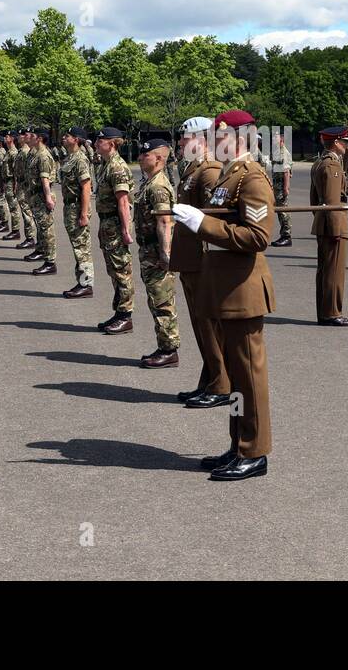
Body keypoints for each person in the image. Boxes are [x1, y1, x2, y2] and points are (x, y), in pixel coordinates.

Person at [171, 109, 275, 482]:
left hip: (244, 290)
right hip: (227, 288)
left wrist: (203, 224)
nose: (214, 144)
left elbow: (258, 237)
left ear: (240, 138)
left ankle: (254, 451)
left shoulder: (253, 178)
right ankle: (238, 444)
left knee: (249, 375)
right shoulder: (230, 176)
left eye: (220, 137)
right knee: (235, 374)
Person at [169, 116, 230, 406]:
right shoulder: (194, 168)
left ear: (201, 139)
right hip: (190, 258)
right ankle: (209, 380)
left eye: (185, 137)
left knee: (209, 325)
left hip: (202, 259)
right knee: (201, 325)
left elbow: (212, 221)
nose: (181, 143)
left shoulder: (209, 171)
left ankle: (220, 385)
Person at [134, 138, 180, 368]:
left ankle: (169, 349)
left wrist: (165, 254)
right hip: (149, 250)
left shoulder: (158, 186)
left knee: (162, 301)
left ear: (159, 159)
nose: (141, 158)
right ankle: (164, 345)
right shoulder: (150, 182)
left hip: (156, 251)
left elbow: (164, 222)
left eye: (146, 155)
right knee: (156, 300)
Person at [93, 126, 135, 334]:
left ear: (111, 143)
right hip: (106, 223)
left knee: (122, 270)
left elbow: (123, 201)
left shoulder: (117, 167)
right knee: (113, 270)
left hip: (115, 224)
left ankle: (126, 315)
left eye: (100, 141)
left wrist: (126, 230)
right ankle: (119, 312)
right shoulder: (105, 164)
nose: (96, 143)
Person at [310, 125, 348, 326]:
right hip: (333, 225)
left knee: (325, 270)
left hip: (322, 221)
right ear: (336, 143)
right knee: (334, 271)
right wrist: (336, 227)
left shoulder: (319, 163)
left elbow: (314, 200)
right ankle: (332, 313)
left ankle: (324, 312)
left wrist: (320, 218)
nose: (346, 145)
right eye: (344, 142)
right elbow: (332, 200)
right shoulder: (332, 165)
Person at [58, 127, 95, 298]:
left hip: (77, 207)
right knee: (77, 248)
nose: (64, 137)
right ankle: (81, 282)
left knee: (82, 249)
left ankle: (86, 285)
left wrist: (84, 213)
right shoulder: (70, 158)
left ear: (76, 139)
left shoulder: (80, 159)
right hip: (70, 207)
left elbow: (86, 187)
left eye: (68, 135)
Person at [23, 128, 58, 275]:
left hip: (43, 196)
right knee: (42, 228)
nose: (28, 137)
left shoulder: (43, 156)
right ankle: (43, 253)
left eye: (32, 136)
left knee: (47, 230)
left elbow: (45, 179)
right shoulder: (34, 154)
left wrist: (48, 198)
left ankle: (50, 262)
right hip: (36, 196)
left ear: (39, 139)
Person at [270, 130, 293, 246]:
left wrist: (286, 188)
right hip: (277, 187)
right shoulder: (277, 152)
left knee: (283, 211)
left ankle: (286, 236)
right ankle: (283, 235)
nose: (273, 139)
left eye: (276, 137)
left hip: (281, 188)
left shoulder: (283, 153)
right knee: (280, 211)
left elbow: (286, 172)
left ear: (282, 139)